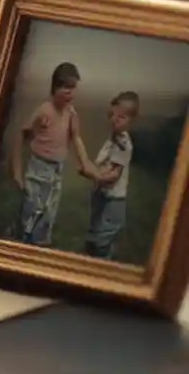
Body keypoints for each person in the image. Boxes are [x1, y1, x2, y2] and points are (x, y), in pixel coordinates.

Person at [9, 62, 98, 245]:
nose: (69, 93)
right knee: (32, 206)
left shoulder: (71, 113)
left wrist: (85, 161)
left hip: (57, 169)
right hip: (38, 167)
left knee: (49, 210)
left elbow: (76, 138)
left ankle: (40, 242)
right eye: (65, 87)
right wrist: (17, 170)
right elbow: (23, 134)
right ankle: (20, 238)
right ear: (54, 87)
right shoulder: (44, 110)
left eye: (73, 88)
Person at [81, 91, 139, 259]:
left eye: (121, 118)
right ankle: (88, 258)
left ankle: (101, 266)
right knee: (93, 232)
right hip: (102, 194)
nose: (114, 120)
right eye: (112, 115)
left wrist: (94, 175)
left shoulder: (123, 144)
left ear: (131, 121)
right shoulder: (113, 137)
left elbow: (114, 174)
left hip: (113, 200)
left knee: (102, 240)